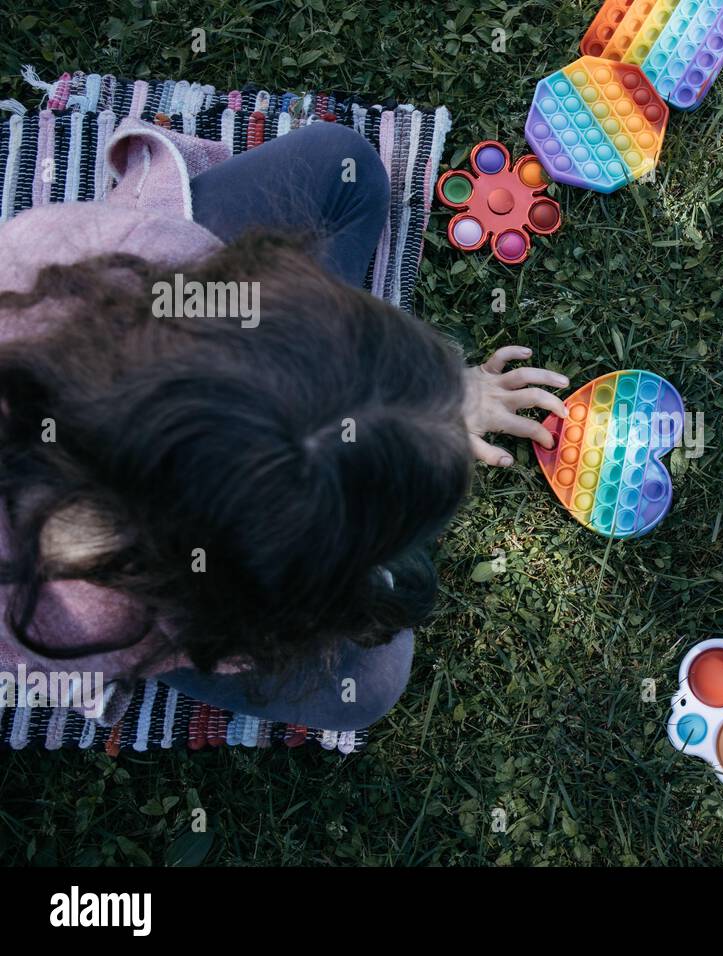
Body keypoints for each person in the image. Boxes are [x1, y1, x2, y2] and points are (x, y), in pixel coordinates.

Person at [0, 117, 568, 730]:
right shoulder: (92, 617)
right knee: (370, 677)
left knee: (343, 165)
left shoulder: (126, 266)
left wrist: (420, 407)